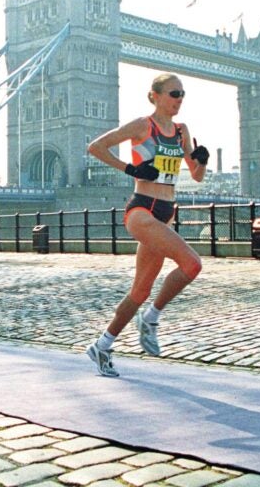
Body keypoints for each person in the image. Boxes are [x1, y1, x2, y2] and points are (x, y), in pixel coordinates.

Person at [84, 73, 209, 377]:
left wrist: (202, 161)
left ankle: (102, 345)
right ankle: (151, 318)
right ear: (155, 95)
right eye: (174, 93)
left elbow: (196, 176)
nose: (179, 99)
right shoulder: (143, 125)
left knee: (139, 291)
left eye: (182, 94)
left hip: (166, 211)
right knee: (192, 265)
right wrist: (131, 169)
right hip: (141, 210)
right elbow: (96, 147)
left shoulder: (181, 131)